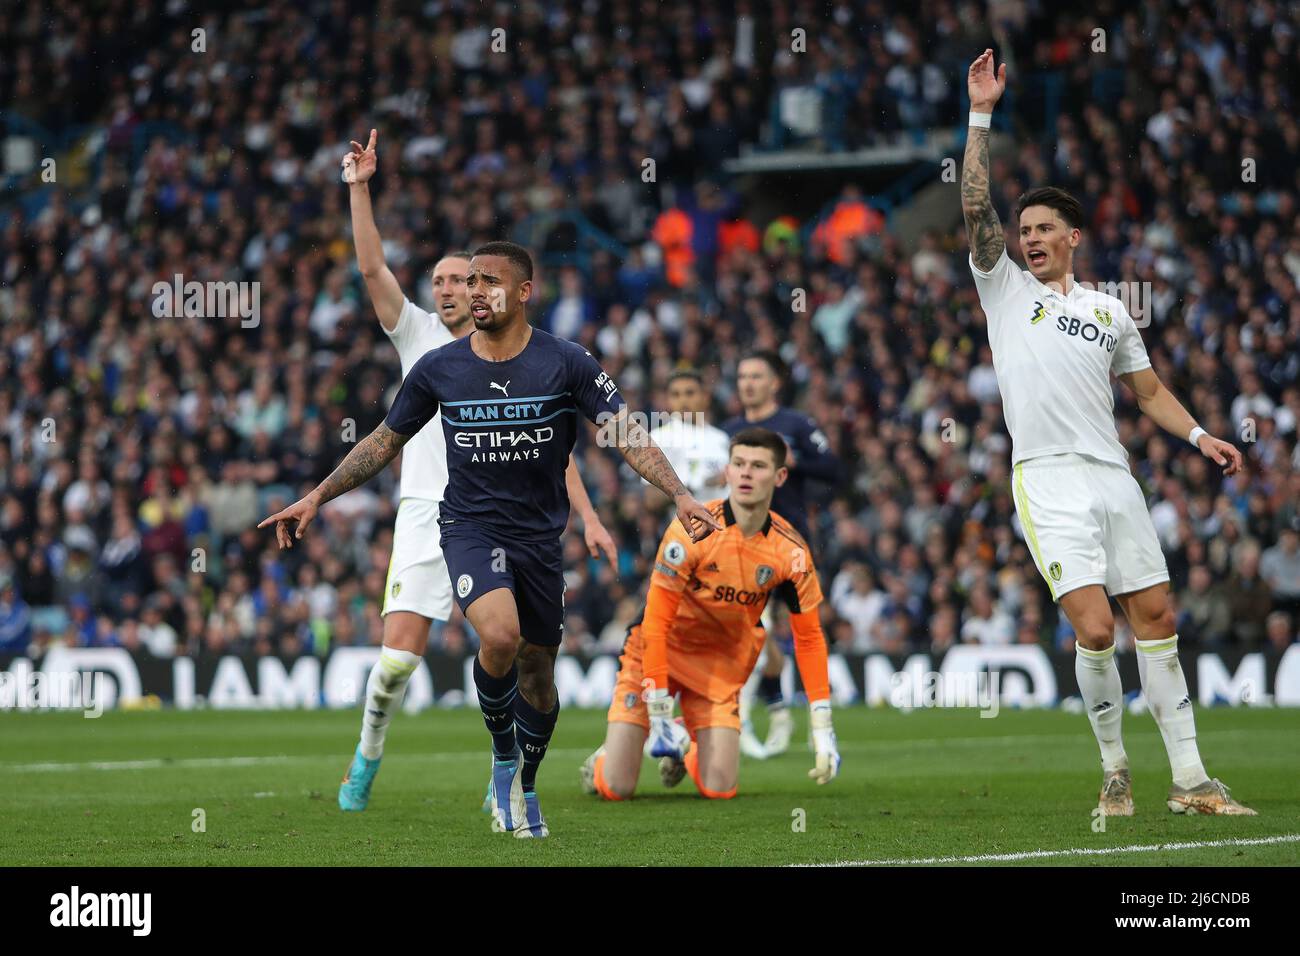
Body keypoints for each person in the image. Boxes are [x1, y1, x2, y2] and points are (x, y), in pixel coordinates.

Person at [260, 240, 719, 838]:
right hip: (469, 527)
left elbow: (627, 432)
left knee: (538, 675)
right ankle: (502, 759)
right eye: (468, 281)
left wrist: (680, 494)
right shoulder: (439, 368)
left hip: (540, 538)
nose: (474, 291)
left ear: (524, 292)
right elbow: (382, 441)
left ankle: (525, 784)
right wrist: (317, 496)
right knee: (499, 634)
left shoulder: (568, 362)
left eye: (487, 281)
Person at [962, 49, 1253, 816]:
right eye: (1022, 227)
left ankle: (1191, 782)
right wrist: (980, 114)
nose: (1028, 237)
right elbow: (973, 203)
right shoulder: (1003, 289)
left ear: (1073, 238)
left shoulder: (1108, 311)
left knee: (1155, 618)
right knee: (1095, 629)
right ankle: (1116, 767)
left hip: (1111, 476)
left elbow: (1148, 390)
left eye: (1044, 228)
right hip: (1047, 476)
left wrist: (1201, 438)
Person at [333, 130, 615, 813]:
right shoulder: (420, 338)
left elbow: (555, 449)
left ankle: (509, 776)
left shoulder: (530, 357)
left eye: (463, 278)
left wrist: (588, 514)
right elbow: (372, 271)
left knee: (514, 650)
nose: (449, 289)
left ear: (487, 286)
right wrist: (360, 188)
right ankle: (368, 754)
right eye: (438, 281)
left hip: (509, 515)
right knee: (397, 663)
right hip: (427, 511)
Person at [581, 427, 839, 801]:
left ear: (780, 476)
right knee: (618, 787)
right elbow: (655, 621)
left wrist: (822, 722)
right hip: (658, 655)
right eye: (739, 464)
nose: (747, 473)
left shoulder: (792, 551)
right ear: (727, 472)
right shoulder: (693, 529)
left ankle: (688, 740)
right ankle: (606, 759)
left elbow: (810, 637)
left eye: (758, 466)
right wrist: (658, 708)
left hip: (718, 669)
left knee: (720, 789)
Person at [723, 350, 838, 757]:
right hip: (741, 543)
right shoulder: (730, 429)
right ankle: (761, 711)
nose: (748, 383)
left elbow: (833, 468)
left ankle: (813, 718)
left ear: (775, 383)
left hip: (790, 543)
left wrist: (793, 459)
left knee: (802, 629)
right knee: (752, 630)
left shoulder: (796, 424)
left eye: (756, 376)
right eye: (742, 377)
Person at [645, 368, 731, 501]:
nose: (683, 400)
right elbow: (651, 499)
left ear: (706, 397)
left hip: (722, 520)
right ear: (668, 400)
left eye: (690, 393)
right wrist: (701, 484)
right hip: (681, 521)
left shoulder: (721, 438)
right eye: (676, 394)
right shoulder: (658, 438)